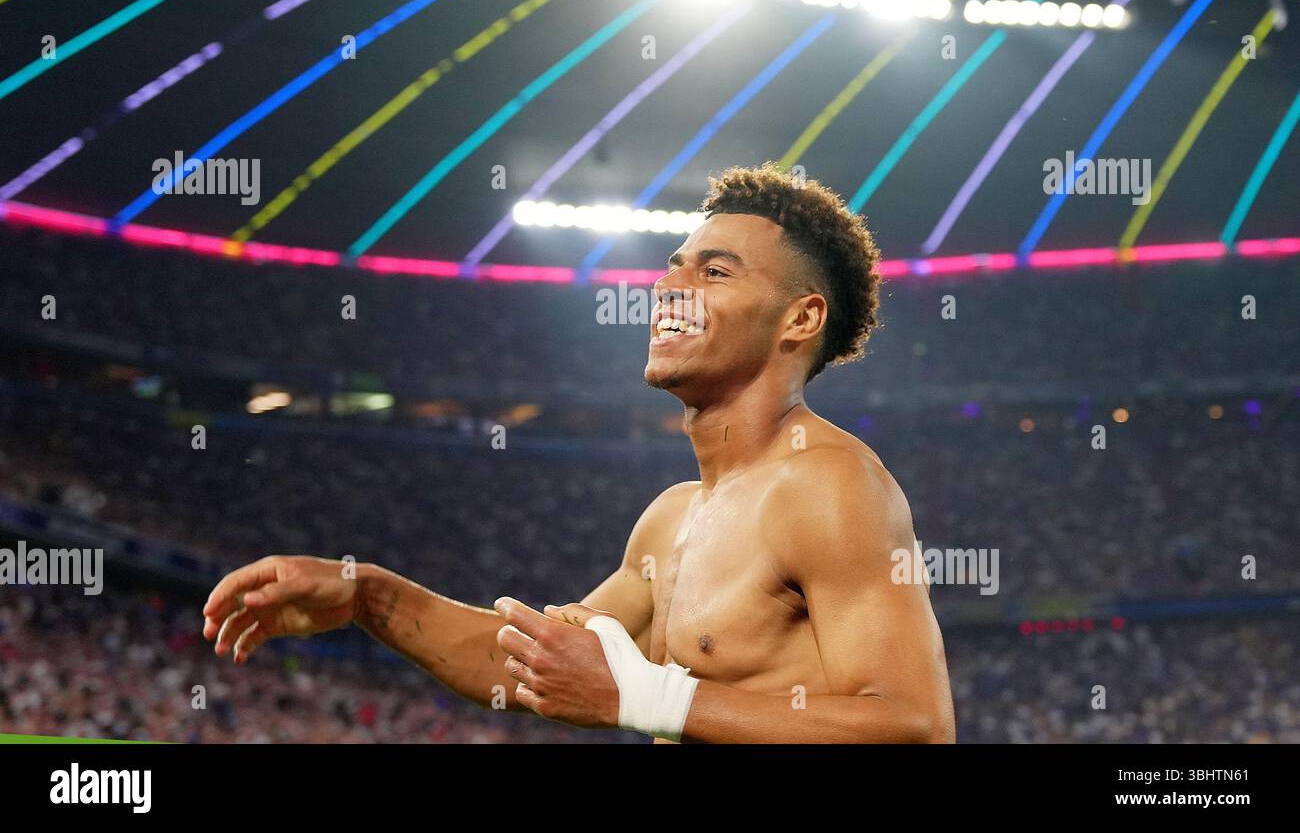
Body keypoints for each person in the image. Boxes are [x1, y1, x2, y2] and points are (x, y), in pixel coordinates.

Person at [202, 162, 956, 743]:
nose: (670, 285)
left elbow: (913, 725)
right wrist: (366, 593)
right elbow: (519, 664)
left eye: (714, 271)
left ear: (801, 318)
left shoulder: (827, 483)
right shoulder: (672, 519)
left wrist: (649, 699)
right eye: (674, 264)